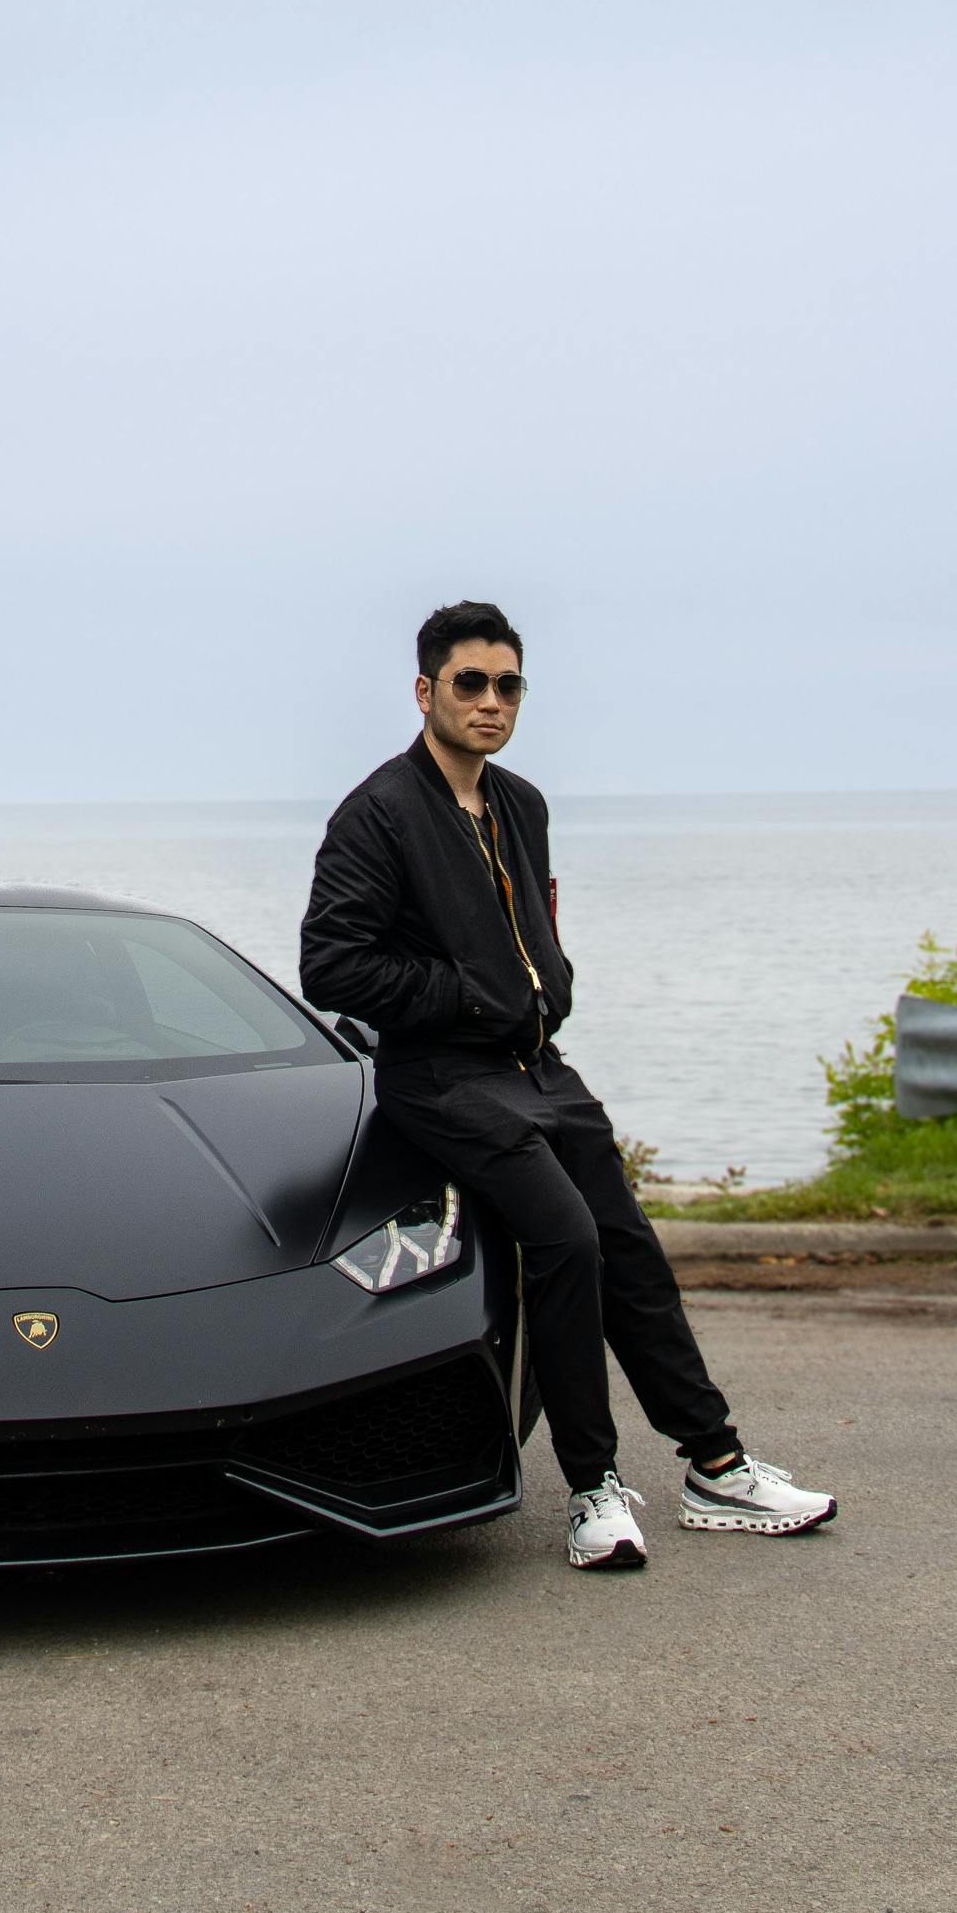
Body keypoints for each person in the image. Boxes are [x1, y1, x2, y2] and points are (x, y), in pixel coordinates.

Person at [299, 600, 836, 1573]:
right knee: (566, 1240)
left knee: (630, 1251)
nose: (491, 701)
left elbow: (529, 932)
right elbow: (332, 968)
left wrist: (547, 976)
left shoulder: (520, 803)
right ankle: (592, 1487)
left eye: (508, 684)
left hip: (539, 1069)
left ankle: (714, 1462)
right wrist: (470, 993)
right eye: (471, 682)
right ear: (426, 690)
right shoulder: (377, 813)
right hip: (443, 1078)